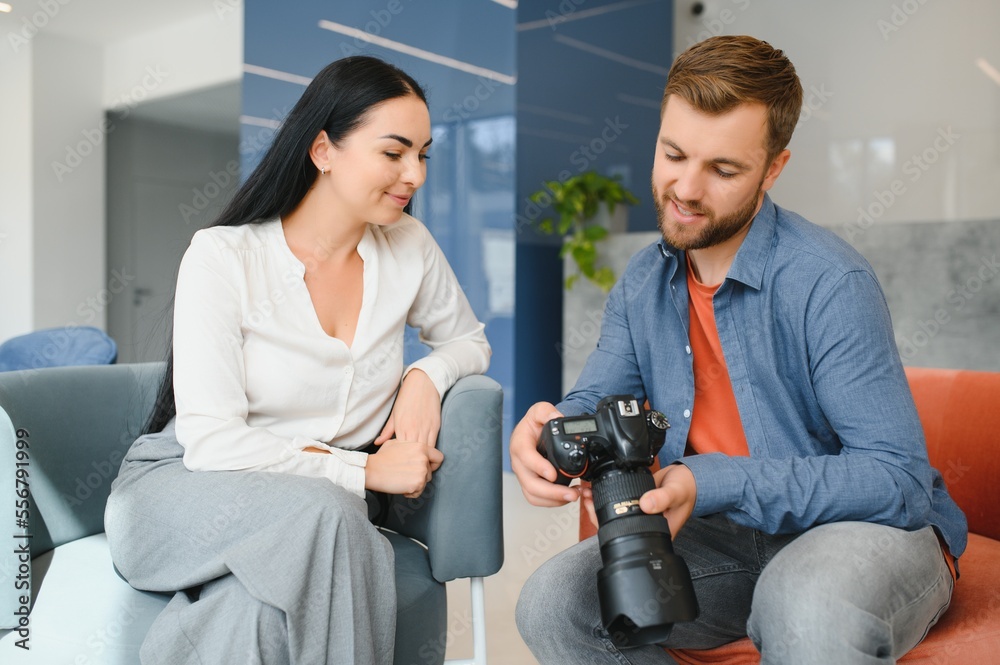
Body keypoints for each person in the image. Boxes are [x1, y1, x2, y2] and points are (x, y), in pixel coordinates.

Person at [511, 35, 966, 664]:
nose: (686, 188)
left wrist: (711, 478)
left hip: (859, 532)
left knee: (800, 601)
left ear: (773, 169)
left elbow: (897, 479)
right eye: (673, 153)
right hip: (720, 541)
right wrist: (546, 432)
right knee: (554, 604)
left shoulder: (830, 283)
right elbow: (597, 399)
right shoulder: (644, 281)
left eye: (723, 170)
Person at [104, 55, 491, 664]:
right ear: (323, 150)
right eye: (393, 153)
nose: (414, 173)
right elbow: (212, 445)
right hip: (183, 494)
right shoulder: (223, 256)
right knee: (335, 514)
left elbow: (468, 340)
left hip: (305, 518)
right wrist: (363, 473)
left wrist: (425, 374)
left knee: (258, 608)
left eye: (423, 154)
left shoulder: (408, 247)